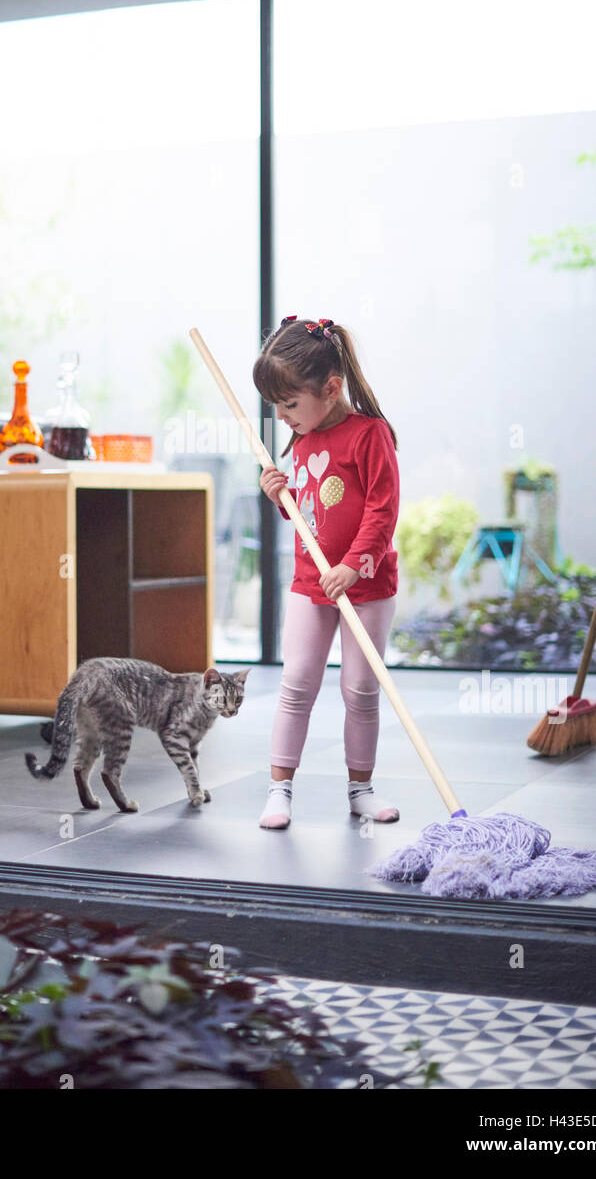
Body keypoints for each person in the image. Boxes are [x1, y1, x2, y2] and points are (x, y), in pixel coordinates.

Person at [253, 316, 400, 830]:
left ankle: (361, 789)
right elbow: (309, 515)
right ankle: (279, 790)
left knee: (361, 689)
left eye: (289, 403)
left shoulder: (370, 435)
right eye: (276, 406)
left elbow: (381, 512)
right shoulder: (303, 440)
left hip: (368, 585)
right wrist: (280, 496)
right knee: (296, 682)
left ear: (331, 388)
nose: (282, 415)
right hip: (310, 582)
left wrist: (352, 568)